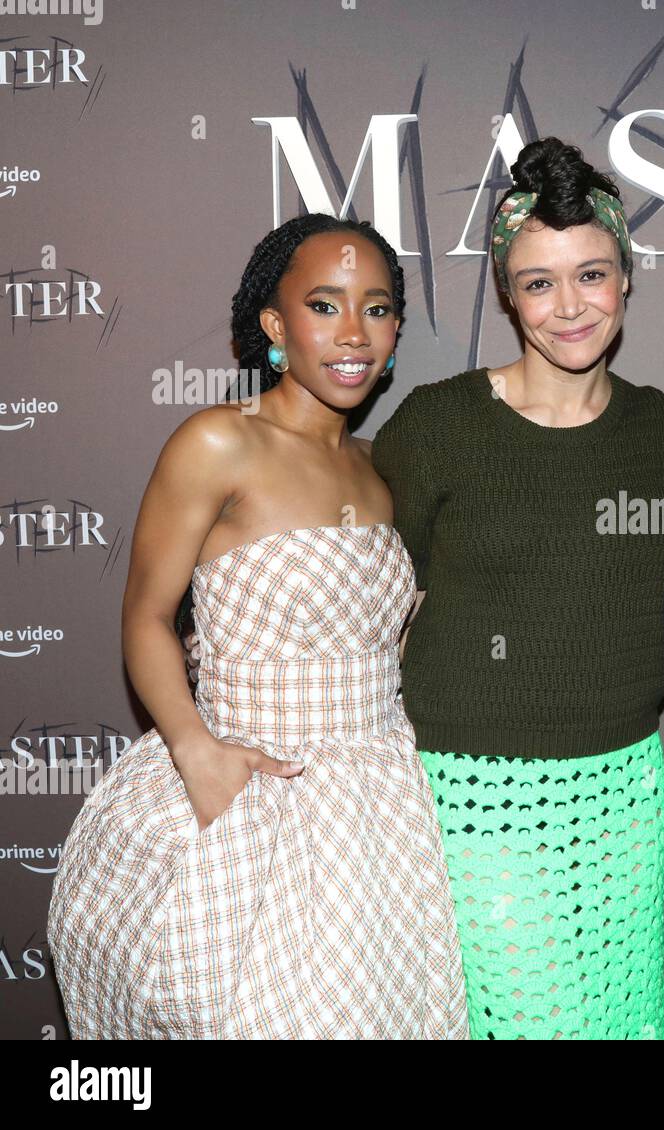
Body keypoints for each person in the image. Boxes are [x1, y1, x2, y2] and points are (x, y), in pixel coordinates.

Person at [47, 214, 468, 1039]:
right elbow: (144, 616)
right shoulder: (216, 443)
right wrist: (197, 754)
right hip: (251, 791)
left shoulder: (384, 465)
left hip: (377, 812)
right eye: (324, 305)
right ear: (275, 326)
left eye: (377, 309)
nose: (355, 333)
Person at [370, 138, 664, 1040]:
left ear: (626, 278)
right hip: (475, 800)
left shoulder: (663, 428)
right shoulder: (441, 423)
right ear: (508, 295)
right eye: (539, 283)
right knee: (514, 1015)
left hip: (624, 793)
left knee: (613, 1017)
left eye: (592, 273)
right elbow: (375, 595)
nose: (570, 306)